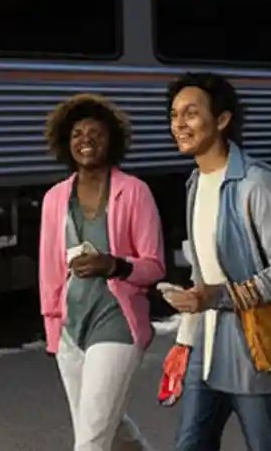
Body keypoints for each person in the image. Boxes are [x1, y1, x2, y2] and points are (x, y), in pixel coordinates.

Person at [161, 71, 271, 451]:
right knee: (189, 445)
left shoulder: (257, 185)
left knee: (267, 445)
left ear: (223, 119)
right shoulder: (195, 183)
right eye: (174, 114)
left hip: (255, 350)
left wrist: (220, 296)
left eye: (191, 113)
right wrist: (183, 342)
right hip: (206, 351)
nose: (179, 124)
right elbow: (201, 274)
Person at [38, 93, 165, 451]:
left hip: (117, 323)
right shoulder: (54, 199)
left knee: (91, 439)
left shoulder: (135, 192)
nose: (86, 140)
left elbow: (154, 266)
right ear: (66, 142)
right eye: (77, 133)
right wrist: (54, 327)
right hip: (71, 329)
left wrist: (114, 264)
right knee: (108, 423)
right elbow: (50, 271)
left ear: (113, 141)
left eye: (96, 133)